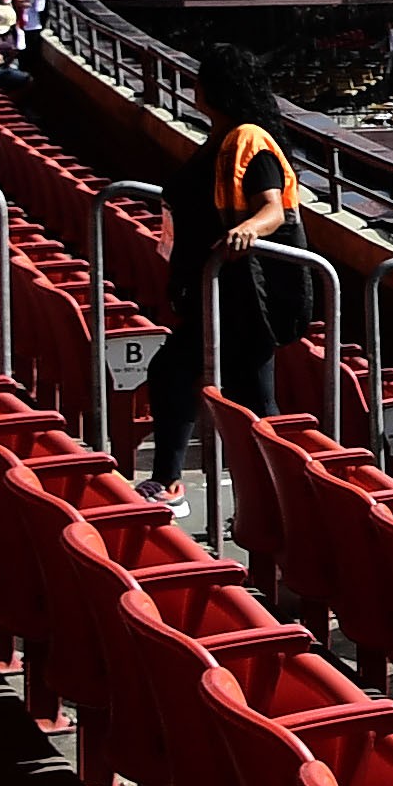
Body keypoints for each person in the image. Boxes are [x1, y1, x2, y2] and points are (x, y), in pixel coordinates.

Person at [151, 53, 312, 484]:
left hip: (244, 293)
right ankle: (281, 491)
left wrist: (247, 230)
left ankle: (285, 492)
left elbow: (272, 208)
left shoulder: (249, 138)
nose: (194, 88)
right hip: (215, 291)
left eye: (201, 81)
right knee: (238, 393)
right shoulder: (220, 137)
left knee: (243, 396)